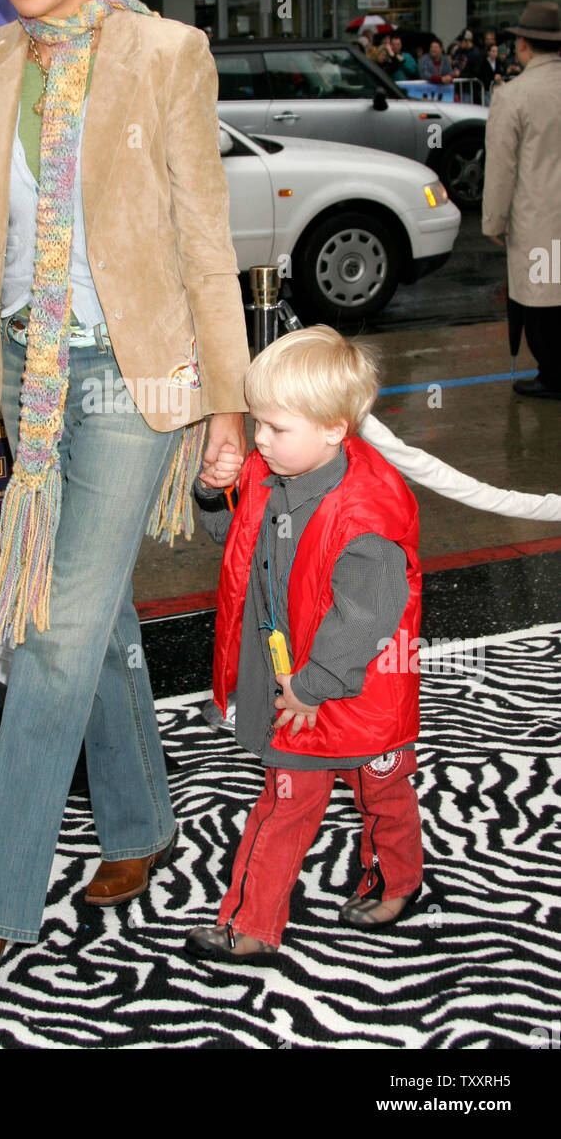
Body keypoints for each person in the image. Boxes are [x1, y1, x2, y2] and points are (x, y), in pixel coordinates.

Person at [0, 0, 250, 974]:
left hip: (134, 380)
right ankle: (143, 823)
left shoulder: (166, 55)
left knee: (50, 634)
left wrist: (230, 404)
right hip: (36, 379)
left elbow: (206, 245)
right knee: (91, 624)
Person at [185, 327, 423, 965]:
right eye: (257, 422)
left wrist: (312, 687)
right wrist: (212, 492)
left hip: (352, 688)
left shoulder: (366, 513)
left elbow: (365, 616)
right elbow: (234, 539)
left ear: (335, 429)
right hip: (298, 682)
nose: (258, 439)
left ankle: (397, 882)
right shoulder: (273, 470)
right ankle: (254, 924)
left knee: (383, 792)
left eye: (275, 427)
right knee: (286, 801)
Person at [482, 0, 561, 401]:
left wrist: (493, 222)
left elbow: (501, 169)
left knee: (544, 300)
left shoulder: (514, 95)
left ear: (524, 45)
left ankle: (552, 374)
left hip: (540, 218)